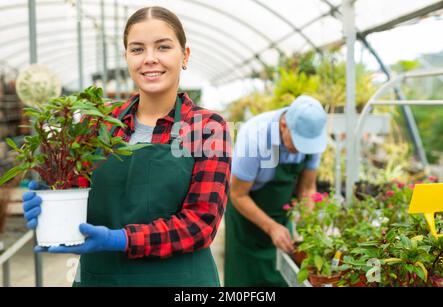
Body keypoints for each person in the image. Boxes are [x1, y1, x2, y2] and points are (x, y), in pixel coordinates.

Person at [22, 6, 231, 287]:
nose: (149, 59)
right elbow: (77, 197)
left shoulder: (206, 128)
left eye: (163, 47)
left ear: (185, 55)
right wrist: (50, 203)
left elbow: (200, 225)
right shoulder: (98, 124)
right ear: (126, 58)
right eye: (137, 49)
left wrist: (120, 239)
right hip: (101, 279)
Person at [224, 95, 328, 287]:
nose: (301, 150)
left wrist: (306, 221)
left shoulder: (312, 138)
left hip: (280, 216)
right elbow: (238, 194)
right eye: (297, 143)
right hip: (246, 219)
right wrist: (271, 227)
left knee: (283, 276)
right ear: (283, 125)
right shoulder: (254, 138)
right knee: (247, 283)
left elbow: (306, 188)